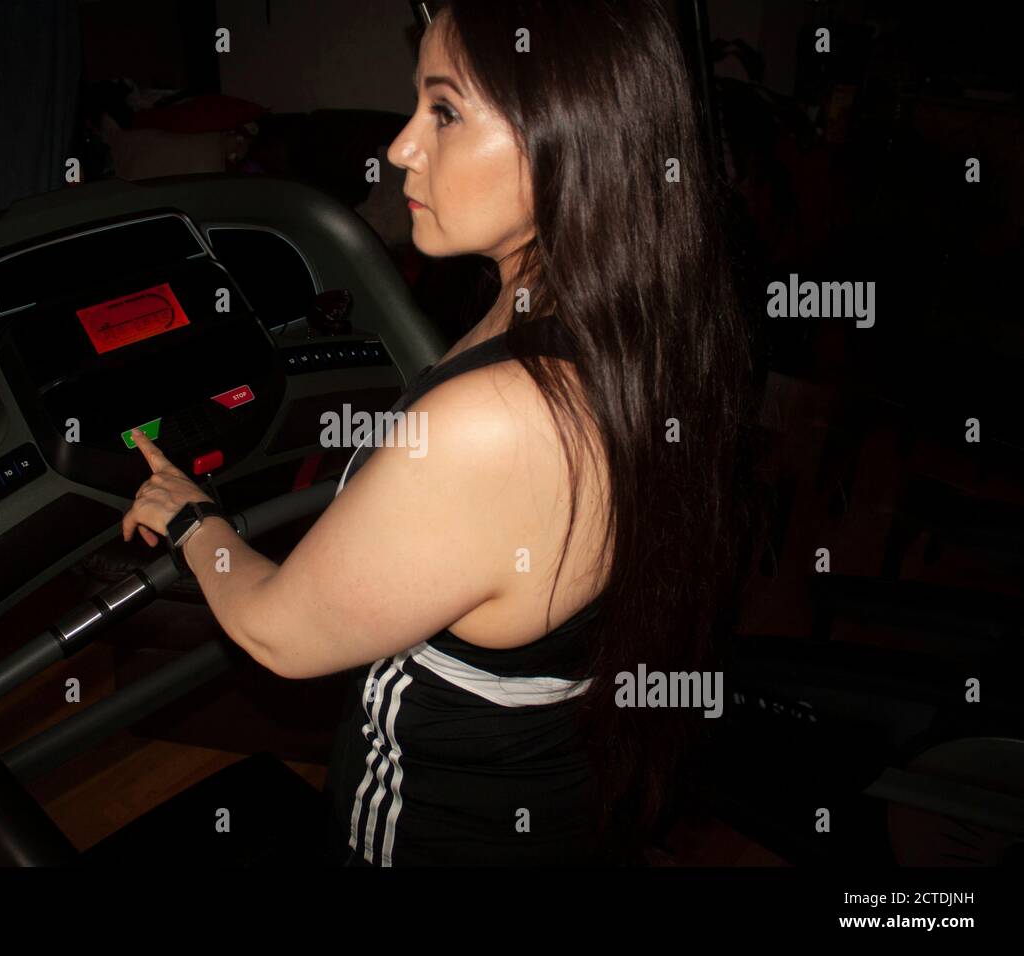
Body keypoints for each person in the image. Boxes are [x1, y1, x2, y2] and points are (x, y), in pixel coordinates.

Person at [121, 0, 752, 866]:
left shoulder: (501, 418)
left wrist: (196, 519)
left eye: (446, 111)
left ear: (567, 133)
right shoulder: (643, 320)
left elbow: (279, 632)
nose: (401, 147)